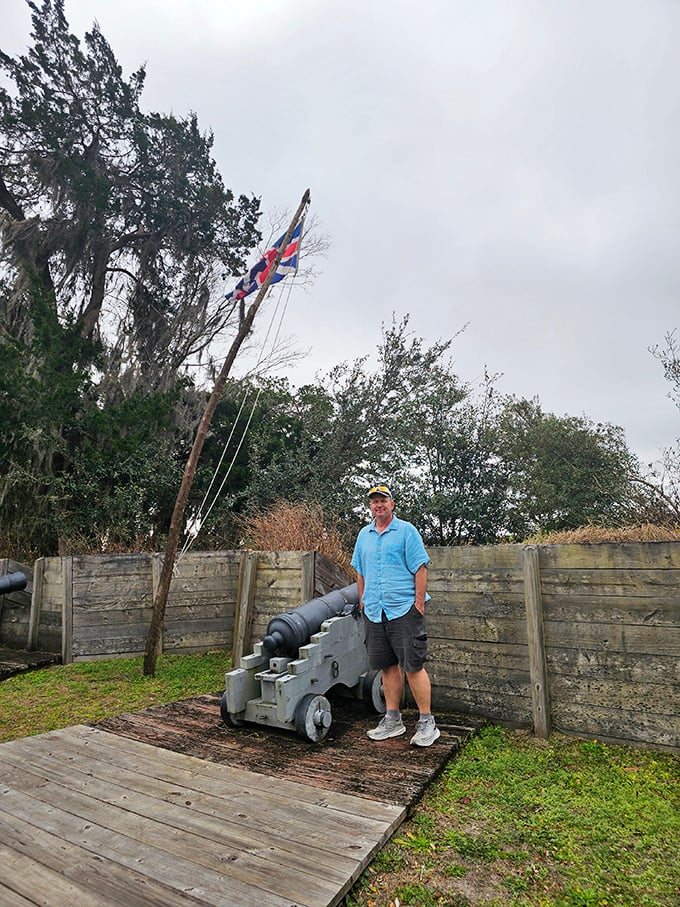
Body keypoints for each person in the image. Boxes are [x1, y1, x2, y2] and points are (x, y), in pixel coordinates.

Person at [351, 483, 440, 747]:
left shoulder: (406, 531)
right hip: (375, 611)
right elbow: (360, 572)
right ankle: (393, 720)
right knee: (387, 667)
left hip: (403, 609)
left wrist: (418, 604)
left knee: (413, 666)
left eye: (383, 500)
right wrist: (364, 602)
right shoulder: (364, 535)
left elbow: (420, 568)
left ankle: (426, 723)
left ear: (392, 504)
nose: (378, 505)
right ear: (370, 506)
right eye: (374, 502)